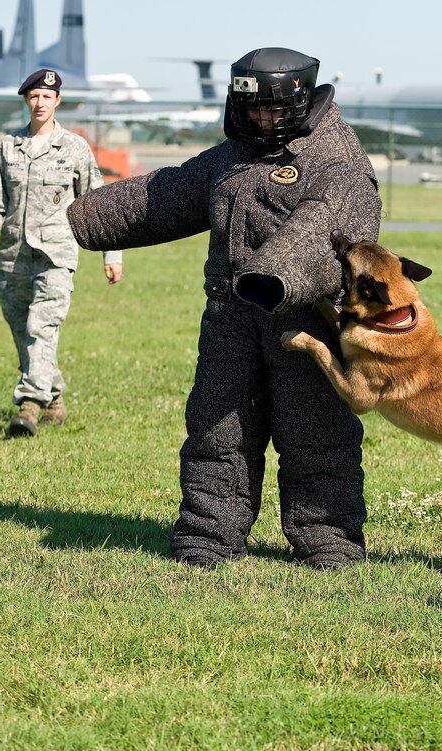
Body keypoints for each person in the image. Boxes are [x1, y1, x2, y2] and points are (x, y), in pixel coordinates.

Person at [67, 48, 382, 570]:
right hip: (230, 319)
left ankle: (329, 541)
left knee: (316, 433)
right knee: (217, 428)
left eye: (272, 110)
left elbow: (325, 227)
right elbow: (166, 195)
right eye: (252, 108)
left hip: (306, 323)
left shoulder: (336, 159)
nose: (261, 118)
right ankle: (208, 536)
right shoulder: (235, 154)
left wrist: (275, 276)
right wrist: (78, 219)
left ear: (299, 101)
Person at [0, 68, 123, 438]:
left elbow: (98, 206)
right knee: (23, 332)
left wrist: (111, 255)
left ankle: (29, 405)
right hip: (13, 256)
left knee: (41, 327)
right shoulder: (8, 146)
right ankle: (54, 398)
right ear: (27, 101)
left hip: (56, 256)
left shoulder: (74, 148)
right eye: (34, 96)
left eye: (47, 96)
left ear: (58, 101)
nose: (40, 102)